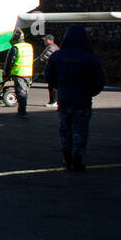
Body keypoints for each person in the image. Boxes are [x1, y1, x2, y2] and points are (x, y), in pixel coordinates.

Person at [45, 25, 105, 172]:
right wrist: (90, 93)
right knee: (80, 130)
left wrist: (59, 87)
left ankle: (66, 158)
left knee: (65, 129)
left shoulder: (58, 56)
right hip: (82, 100)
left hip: (65, 99)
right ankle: (77, 160)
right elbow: (99, 81)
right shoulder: (89, 58)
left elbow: (49, 76)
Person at [4, 28, 33, 117]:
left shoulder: (16, 47)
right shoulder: (29, 46)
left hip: (19, 72)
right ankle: (22, 110)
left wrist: (6, 72)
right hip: (28, 72)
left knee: (21, 92)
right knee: (25, 91)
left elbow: (10, 61)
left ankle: (22, 112)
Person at [35, 34, 59, 106]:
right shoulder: (53, 46)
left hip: (54, 70)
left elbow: (43, 58)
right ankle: (54, 101)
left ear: (50, 40)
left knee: (53, 86)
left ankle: (53, 102)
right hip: (55, 69)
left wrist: (35, 62)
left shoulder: (52, 47)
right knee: (53, 86)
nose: (44, 41)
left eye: (45, 40)